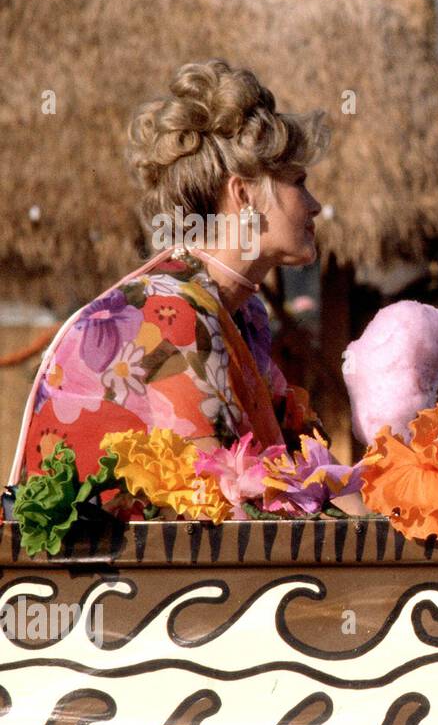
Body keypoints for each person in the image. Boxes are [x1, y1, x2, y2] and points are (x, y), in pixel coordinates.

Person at [9, 58, 365, 516]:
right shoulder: (173, 312)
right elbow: (233, 508)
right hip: (93, 583)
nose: (315, 205)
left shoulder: (241, 313)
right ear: (244, 194)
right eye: (299, 182)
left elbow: (308, 468)